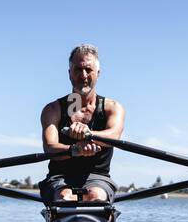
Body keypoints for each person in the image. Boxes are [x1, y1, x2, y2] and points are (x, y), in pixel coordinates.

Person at [40, 44, 125, 205]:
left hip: (98, 178)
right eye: (78, 69)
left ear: (98, 73)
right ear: (69, 74)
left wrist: (89, 134)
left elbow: (115, 136)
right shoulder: (53, 109)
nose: (83, 75)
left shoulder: (113, 107)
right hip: (60, 178)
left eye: (88, 70)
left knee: (95, 196)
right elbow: (50, 147)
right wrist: (75, 150)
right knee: (65, 196)